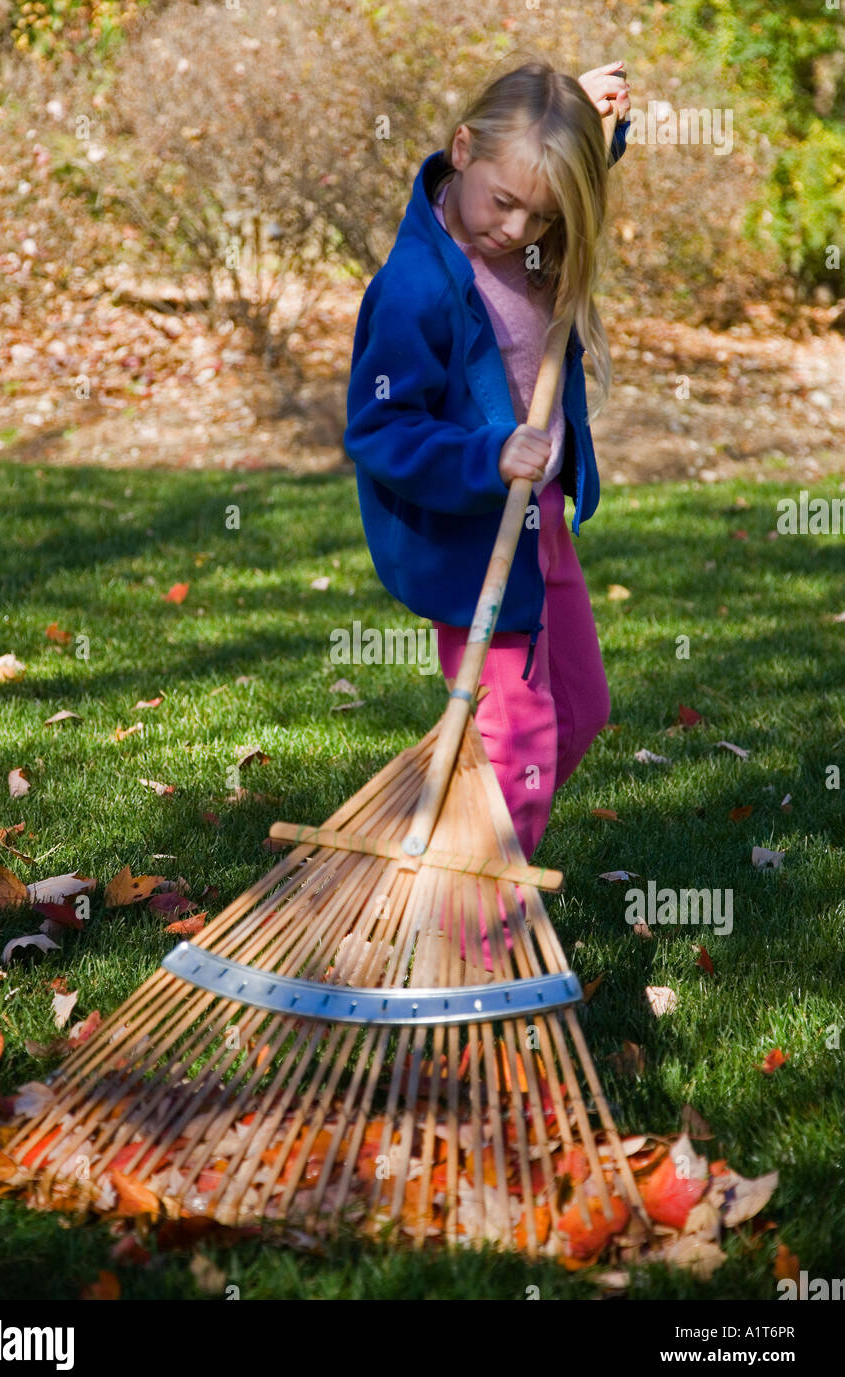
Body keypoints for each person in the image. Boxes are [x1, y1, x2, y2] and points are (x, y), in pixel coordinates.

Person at [343, 57, 631, 965]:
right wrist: (482, 456)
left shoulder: (525, 206)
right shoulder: (415, 289)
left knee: (579, 708)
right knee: (521, 735)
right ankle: (466, 941)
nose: (519, 231)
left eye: (542, 216)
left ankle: (459, 840)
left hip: (539, 516)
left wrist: (593, 123)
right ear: (461, 151)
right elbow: (380, 428)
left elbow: (553, 175)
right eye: (504, 203)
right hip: (475, 537)